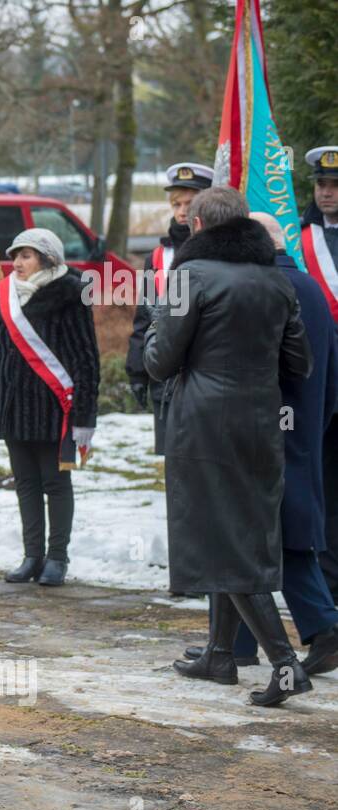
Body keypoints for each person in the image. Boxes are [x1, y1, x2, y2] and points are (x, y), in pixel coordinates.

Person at [146, 186, 314, 707]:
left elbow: (158, 360)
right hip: (261, 421)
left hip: (203, 424)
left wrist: (158, 323)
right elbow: (299, 364)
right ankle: (219, 654)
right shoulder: (276, 280)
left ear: (197, 227)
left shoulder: (188, 277)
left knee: (228, 541)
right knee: (238, 530)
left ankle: (285, 664)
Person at [180, 214, 338, 678]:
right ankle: (229, 645)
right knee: (263, 536)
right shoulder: (307, 286)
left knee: (248, 536)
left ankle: (316, 631)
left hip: (257, 428)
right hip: (297, 429)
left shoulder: (263, 285)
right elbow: (327, 373)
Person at [0, 228, 99, 587]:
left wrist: (84, 414)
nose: (17, 262)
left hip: (55, 409)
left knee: (55, 482)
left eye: (26, 255)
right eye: (15, 255)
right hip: (14, 406)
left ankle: (57, 558)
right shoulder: (5, 295)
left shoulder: (71, 294)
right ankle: (32, 556)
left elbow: (86, 358)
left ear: (48, 259)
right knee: (26, 483)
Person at [125, 162, 212, 455]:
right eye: (177, 203)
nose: (183, 210)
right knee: (174, 468)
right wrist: (137, 371)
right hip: (168, 380)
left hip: (208, 378)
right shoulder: (159, 257)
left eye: (191, 202)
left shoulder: (222, 251)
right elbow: (145, 316)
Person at [299, 146, 338, 606]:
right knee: (323, 483)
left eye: (334, 186)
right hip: (319, 379)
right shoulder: (299, 237)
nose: (326, 193)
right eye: (320, 185)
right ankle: (328, 582)